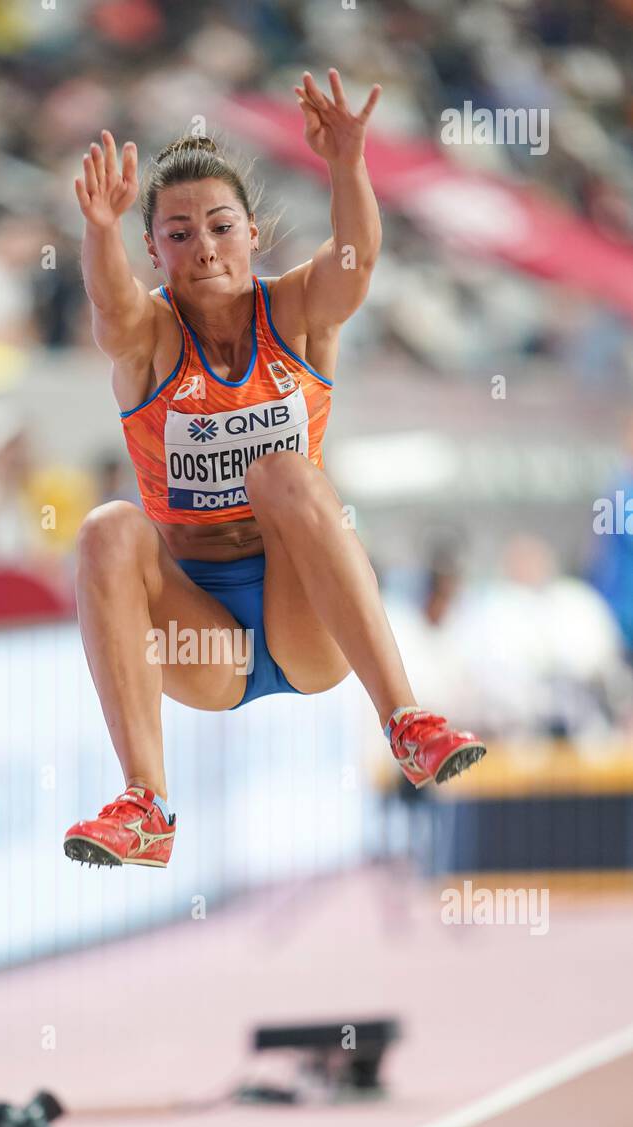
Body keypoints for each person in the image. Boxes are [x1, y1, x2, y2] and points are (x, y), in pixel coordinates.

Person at [63, 69, 486, 869]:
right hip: (203, 638)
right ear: (153, 250)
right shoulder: (148, 339)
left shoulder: (292, 311)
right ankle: (145, 804)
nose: (203, 247)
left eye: (220, 226)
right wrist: (97, 229)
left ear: (253, 233)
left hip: (308, 619)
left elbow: (355, 264)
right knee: (107, 527)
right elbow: (113, 309)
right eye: (178, 234)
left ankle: (405, 722)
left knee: (282, 474)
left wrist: (347, 163)